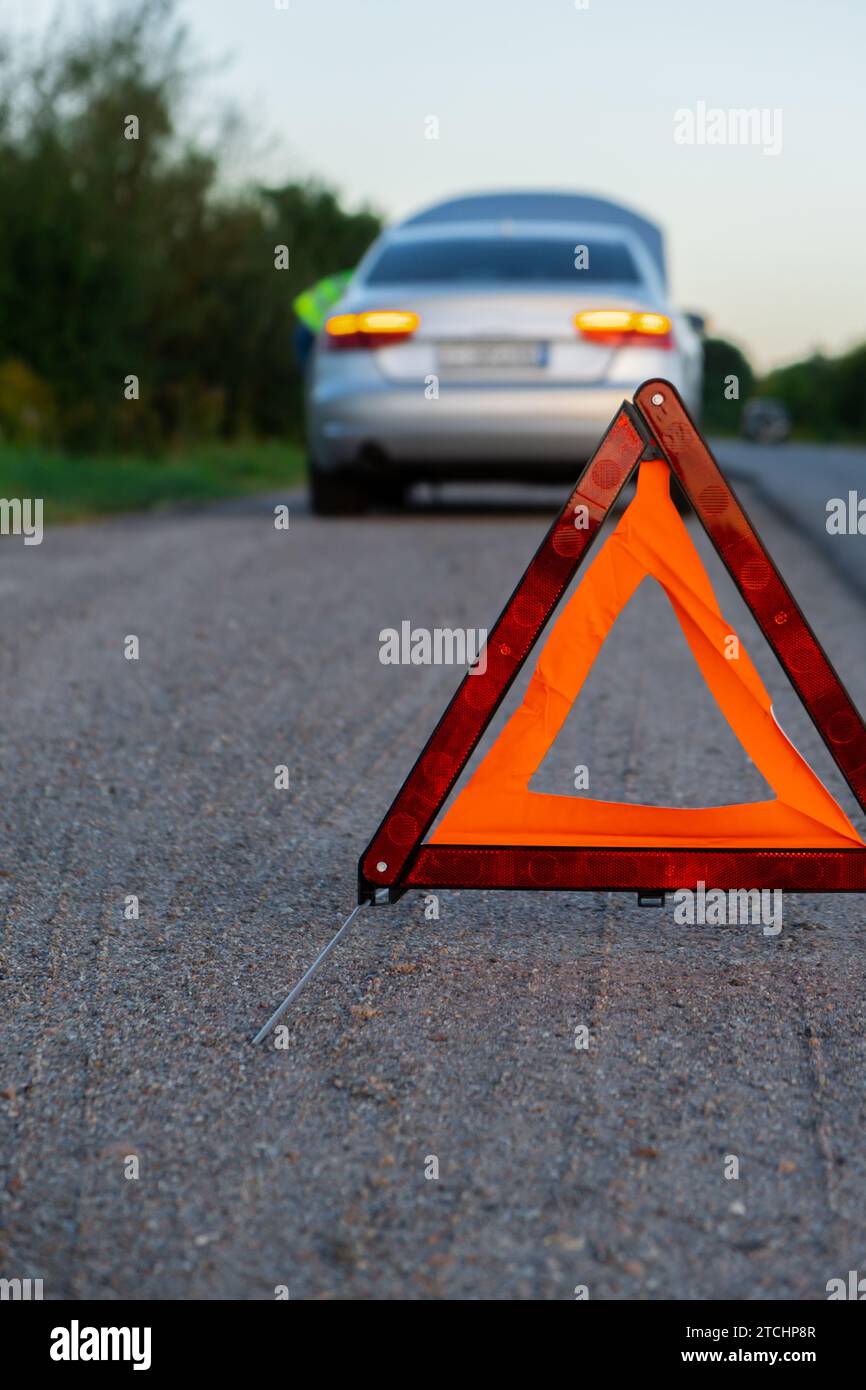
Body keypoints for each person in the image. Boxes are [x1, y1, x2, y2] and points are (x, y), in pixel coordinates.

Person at [292, 269, 353, 373]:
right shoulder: (361, 282)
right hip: (316, 329)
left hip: (304, 324)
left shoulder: (348, 276)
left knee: (313, 374)